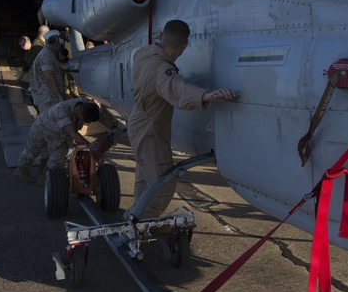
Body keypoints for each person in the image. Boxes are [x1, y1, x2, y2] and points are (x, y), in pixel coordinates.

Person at [128, 19, 236, 218]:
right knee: (162, 184)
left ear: (160, 36)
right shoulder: (163, 70)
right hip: (150, 128)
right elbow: (176, 89)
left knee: (145, 176)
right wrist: (207, 95)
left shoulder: (143, 54)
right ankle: (139, 223)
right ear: (185, 45)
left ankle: (134, 216)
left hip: (138, 121)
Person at [15, 98, 113, 184]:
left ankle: (47, 175)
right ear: (80, 115)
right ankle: (22, 169)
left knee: (59, 155)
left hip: (59, 133)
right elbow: (72, 133)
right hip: (42, 126)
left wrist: (113, 128)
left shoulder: (88, 105)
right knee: (33, 149)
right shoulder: (61, 111)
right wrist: (89, 145)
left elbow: (102, 116)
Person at [28, 30, 64, 113]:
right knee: (50, 121)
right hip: (48, 98)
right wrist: (59, 95)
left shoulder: (48, 54)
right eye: (59, 44)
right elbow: (49, 78)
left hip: (49, 96)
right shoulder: (45, 56)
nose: (60, 47)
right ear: (53, 43)